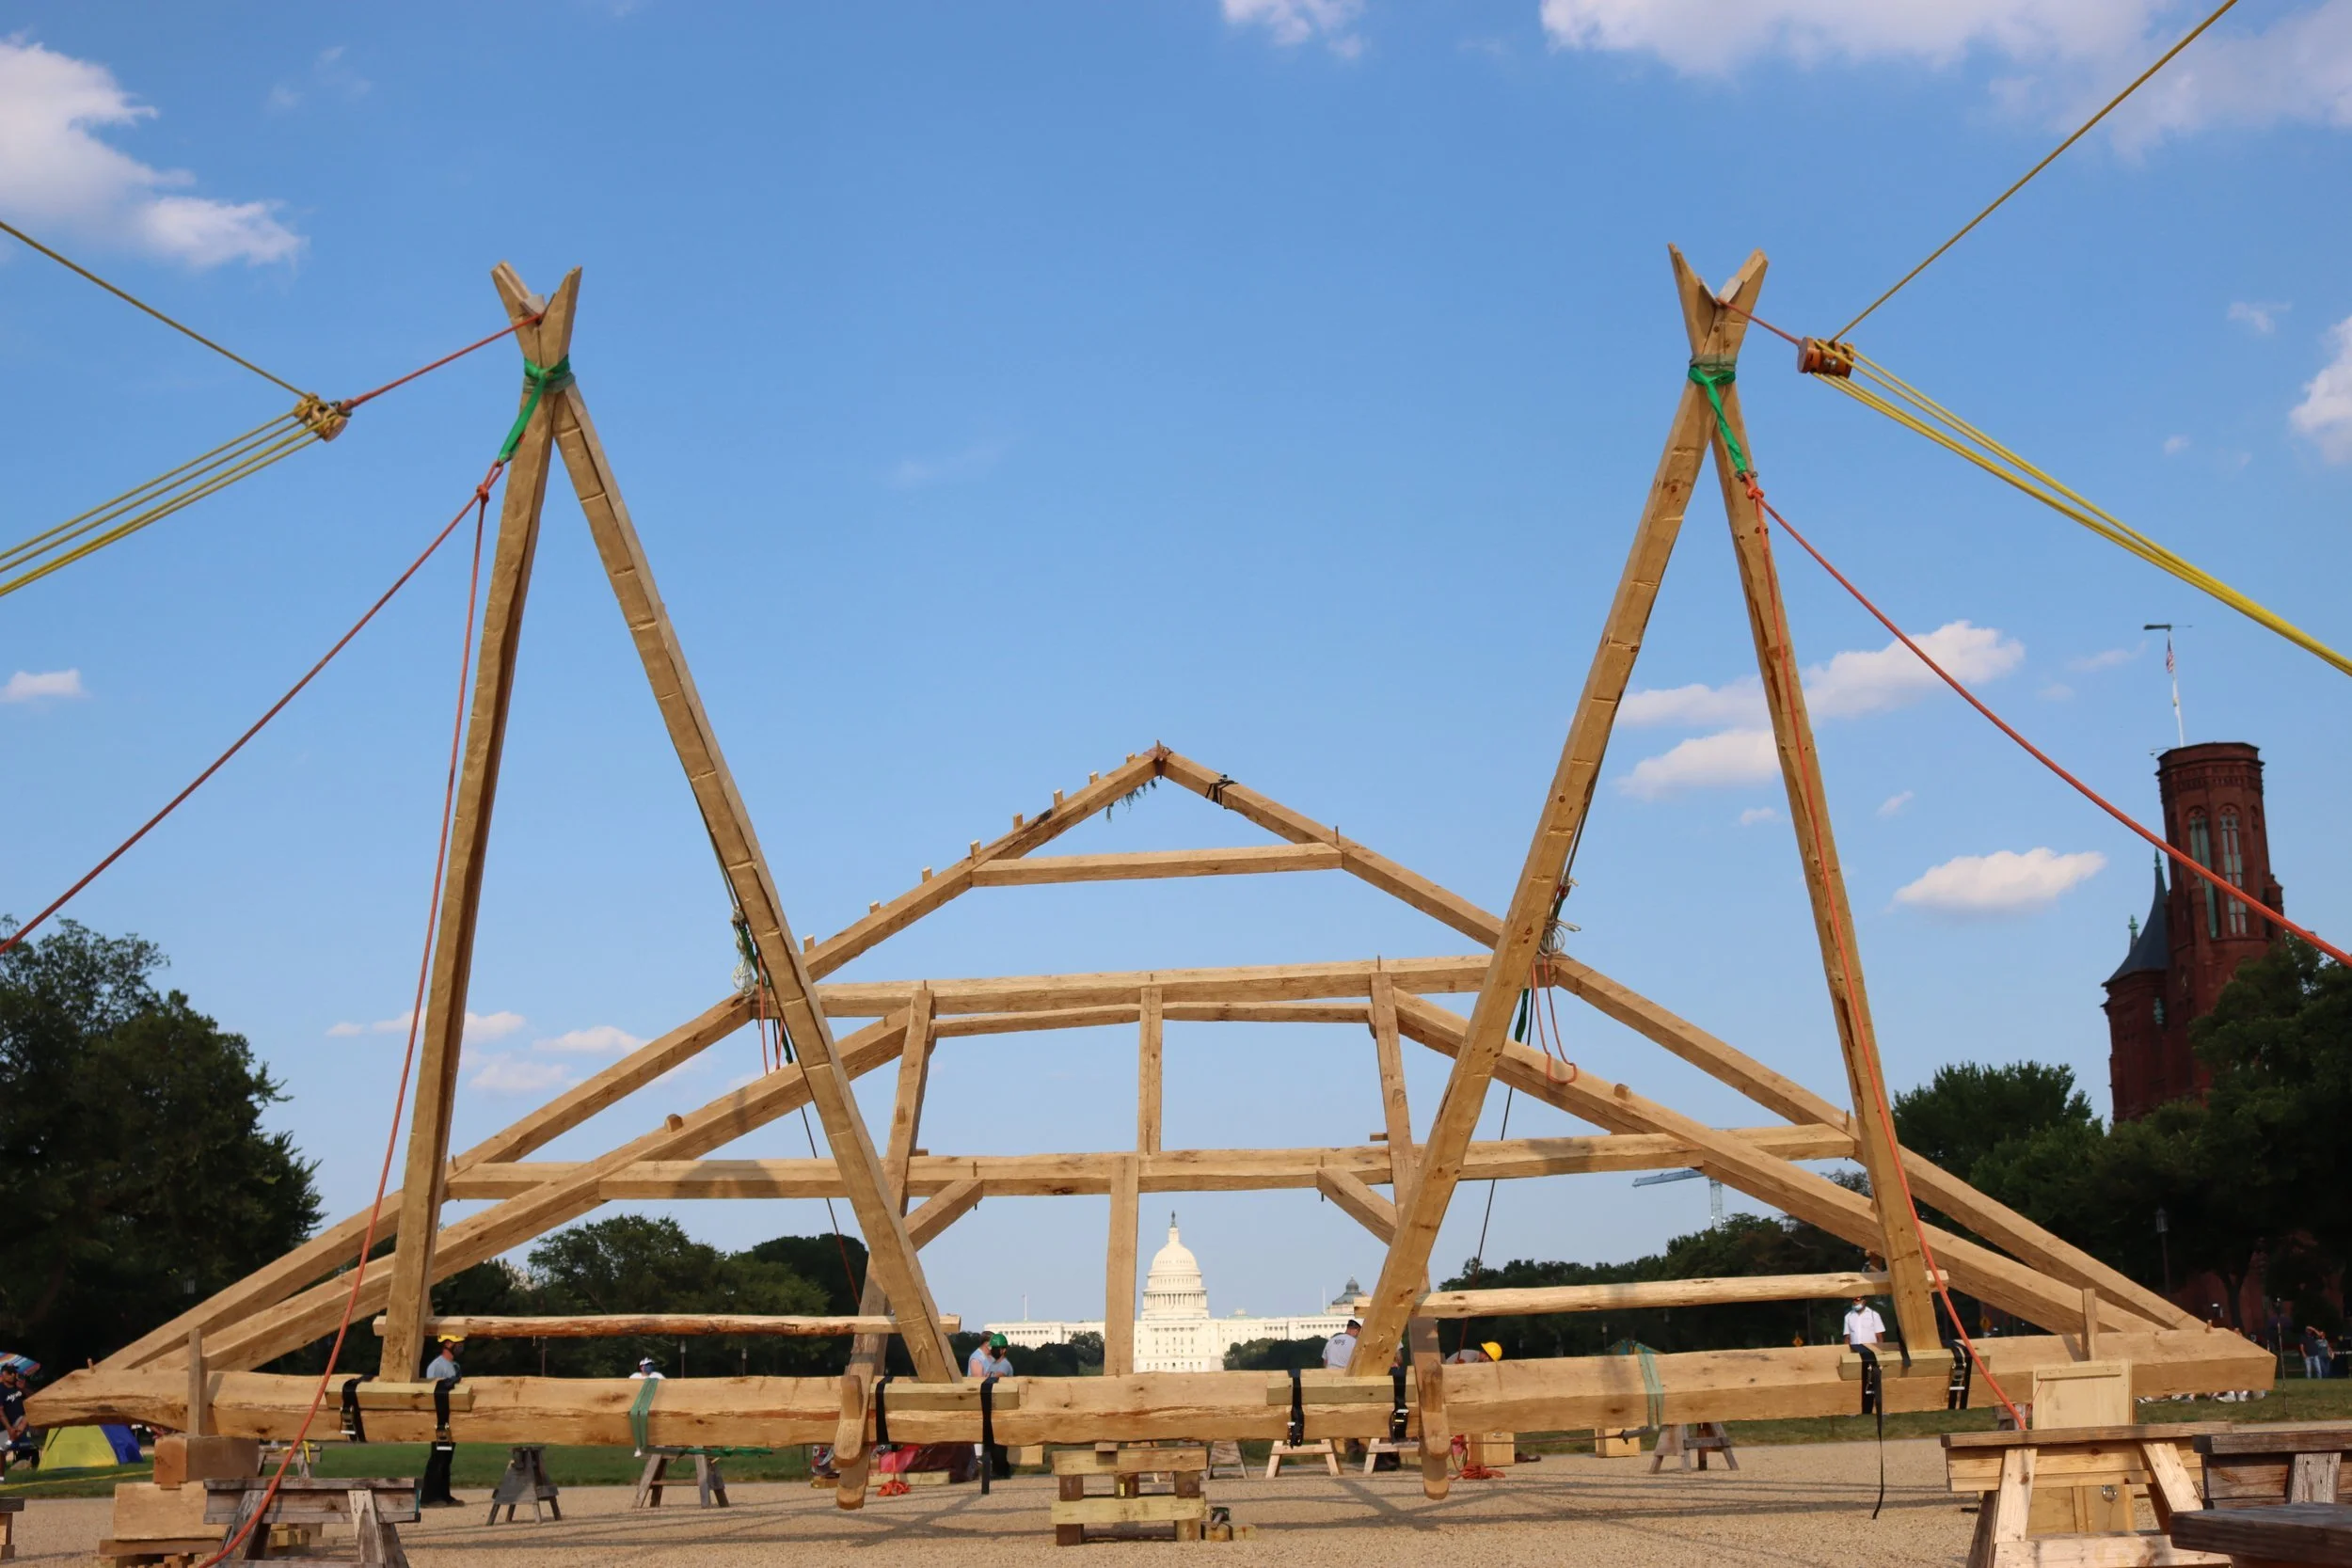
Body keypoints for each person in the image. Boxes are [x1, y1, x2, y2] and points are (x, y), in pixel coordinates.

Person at [967, 1334, 1014, 1479]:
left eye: (996, 1348)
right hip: (992, 1405)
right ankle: (997, 1469)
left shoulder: (1004, 1365)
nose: (992, 1350)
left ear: (1003, 1350)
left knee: (999, 1442)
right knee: (993, 1442)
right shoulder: (993, 1363)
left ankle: (1001, 1470)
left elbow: (994, 1378)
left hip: (1000, 1405)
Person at [0, 1357, 38, 1477]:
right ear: (4, 1374)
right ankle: (1, 1478)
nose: (14, 1375)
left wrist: (23, 1389)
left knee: (26, 1416)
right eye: (10, 1373)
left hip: (20, 1422)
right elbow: (0, 1412)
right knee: (1, 1452)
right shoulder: (0, 1389)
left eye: (15, 1372)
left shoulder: (20, 1385)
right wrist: (9, 1429)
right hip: (5, 1426)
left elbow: (34, 1399)